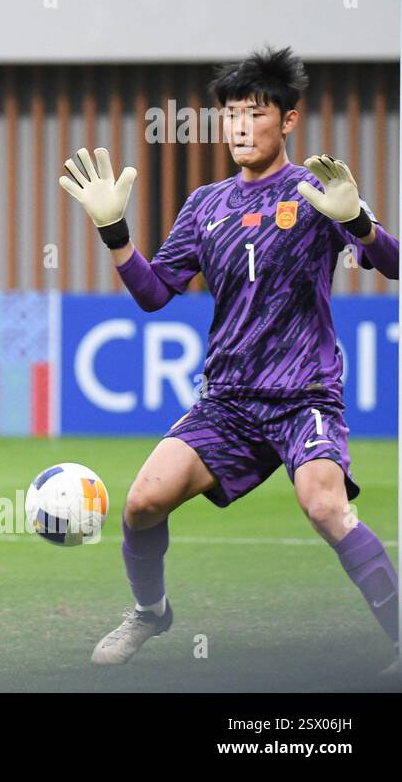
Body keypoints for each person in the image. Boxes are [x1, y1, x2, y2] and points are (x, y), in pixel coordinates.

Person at [58, 47, 400, 668]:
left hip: (303, 396)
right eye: (231, 114)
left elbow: (394, 264)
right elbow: (154, 294)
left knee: (325, 506)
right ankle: (151, 613)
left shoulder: (319, 192)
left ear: (288, 121)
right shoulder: (205, 205)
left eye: (256, 113)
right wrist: (115, 233)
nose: (241, 126)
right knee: (140, 503)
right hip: (229, 402)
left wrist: (361, 222)